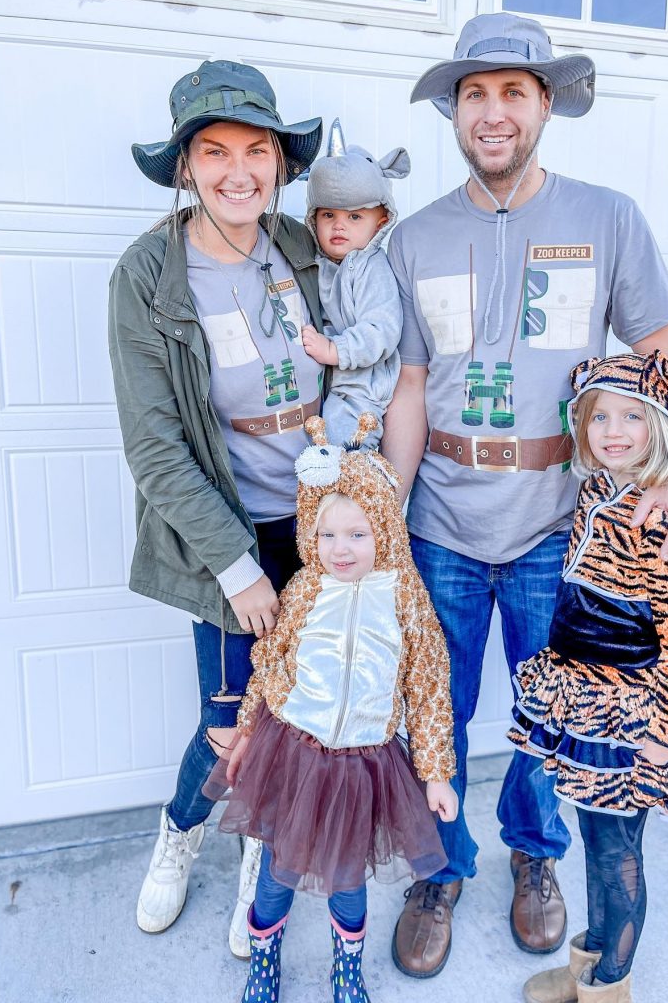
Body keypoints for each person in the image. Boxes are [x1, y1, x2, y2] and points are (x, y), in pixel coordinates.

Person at [381, 12, 668, 976]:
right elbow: (408, 388)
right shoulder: (413, 238)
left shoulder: (606, 218)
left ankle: (535, 856)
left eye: (513, 93)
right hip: (441, 521)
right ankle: (438, 869)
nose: (493, 113)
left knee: (549, 710)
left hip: (557, 527)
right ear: (452, 110)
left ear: (546, 106)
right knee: (430, 712)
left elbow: (664, 356)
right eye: (474, 94)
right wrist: (390, 517)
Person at [108, 59, 325, 956]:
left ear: (280, 160)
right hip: (225, 531)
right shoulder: (147, 275)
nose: (239, 171)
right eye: (215, 151)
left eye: (256, 150)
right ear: (185, 167)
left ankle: (258, 859)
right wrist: (236, 569)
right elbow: (154, 445)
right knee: (230, 718)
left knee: (299, 712)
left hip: (318, 526)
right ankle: (181, 830)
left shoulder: (304, 247)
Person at [205, 412, 458, 1003]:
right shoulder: (304, 590)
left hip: (362, 764)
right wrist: (248, 734)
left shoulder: (405, 599)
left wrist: (436, 772)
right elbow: (270, 664)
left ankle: (347, 968)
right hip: (293, 752)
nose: (340, 549)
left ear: (384, 529)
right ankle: (263, 959)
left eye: (357, 534)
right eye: (327, 536)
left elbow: (428, 686)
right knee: (278, 867)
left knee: (347, 876)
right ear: (310, 535)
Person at [509, 351, 668, 1003]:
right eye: (599, 417)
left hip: (630, 713)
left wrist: (662, 733)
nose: (613, 430)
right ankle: (586, 966)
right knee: (594, 838)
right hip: (582, 697)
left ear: (660, 424)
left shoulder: (659, 515)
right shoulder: (597, 489)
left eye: (632, 416)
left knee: (617, 852)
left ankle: (610, 986)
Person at [300, 119, 410, 448]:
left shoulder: (371, 268)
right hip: (326, 381)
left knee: (344, 442)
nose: (339, 226)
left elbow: (382, 329)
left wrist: (334, 349)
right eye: (328, 215)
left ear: (381, 221)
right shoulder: (319, 263)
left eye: (355, 217)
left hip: (360, 388)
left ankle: (356, 474)